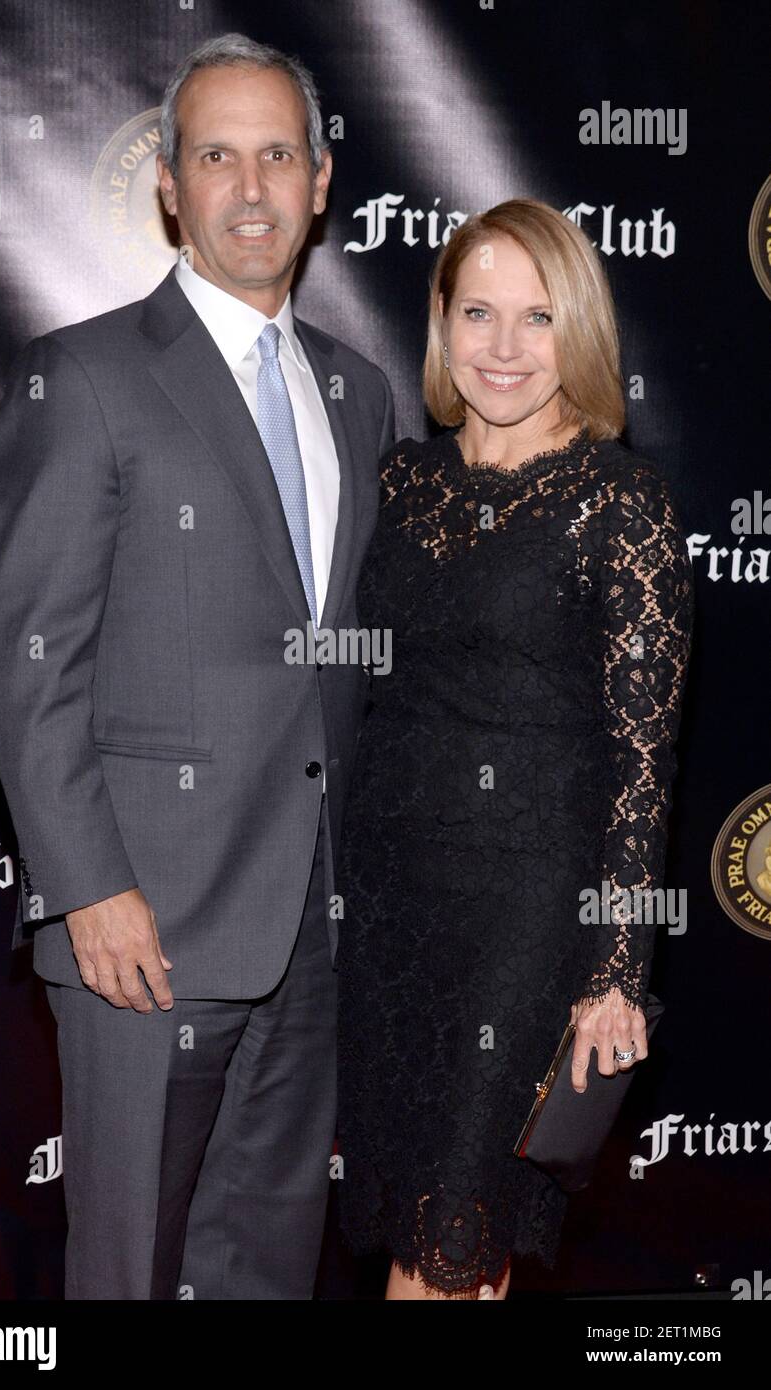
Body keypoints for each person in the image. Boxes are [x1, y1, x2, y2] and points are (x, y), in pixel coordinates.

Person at [0, 32, 394, 1300]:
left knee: (263, 1265)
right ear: (170, 182)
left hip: (312, 928)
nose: (251, 188)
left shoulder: (358, 391)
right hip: (141, 929)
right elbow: (26, 656)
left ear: (322, 182)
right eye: (218, 155)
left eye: (279, 154)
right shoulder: (82, 376)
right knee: (129, 1269)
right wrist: (85, 886)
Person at [335, 198, 693, 1300]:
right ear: (438, 323)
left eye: (534, 317)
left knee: (453, 1233)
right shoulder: (399, 484)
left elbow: (643, 764)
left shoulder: (618, 502)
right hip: (387, 905)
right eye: (476, 311)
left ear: (575, 330)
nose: (501, 347)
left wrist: (614, 972)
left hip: (524, 920)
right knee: (422, 1235)